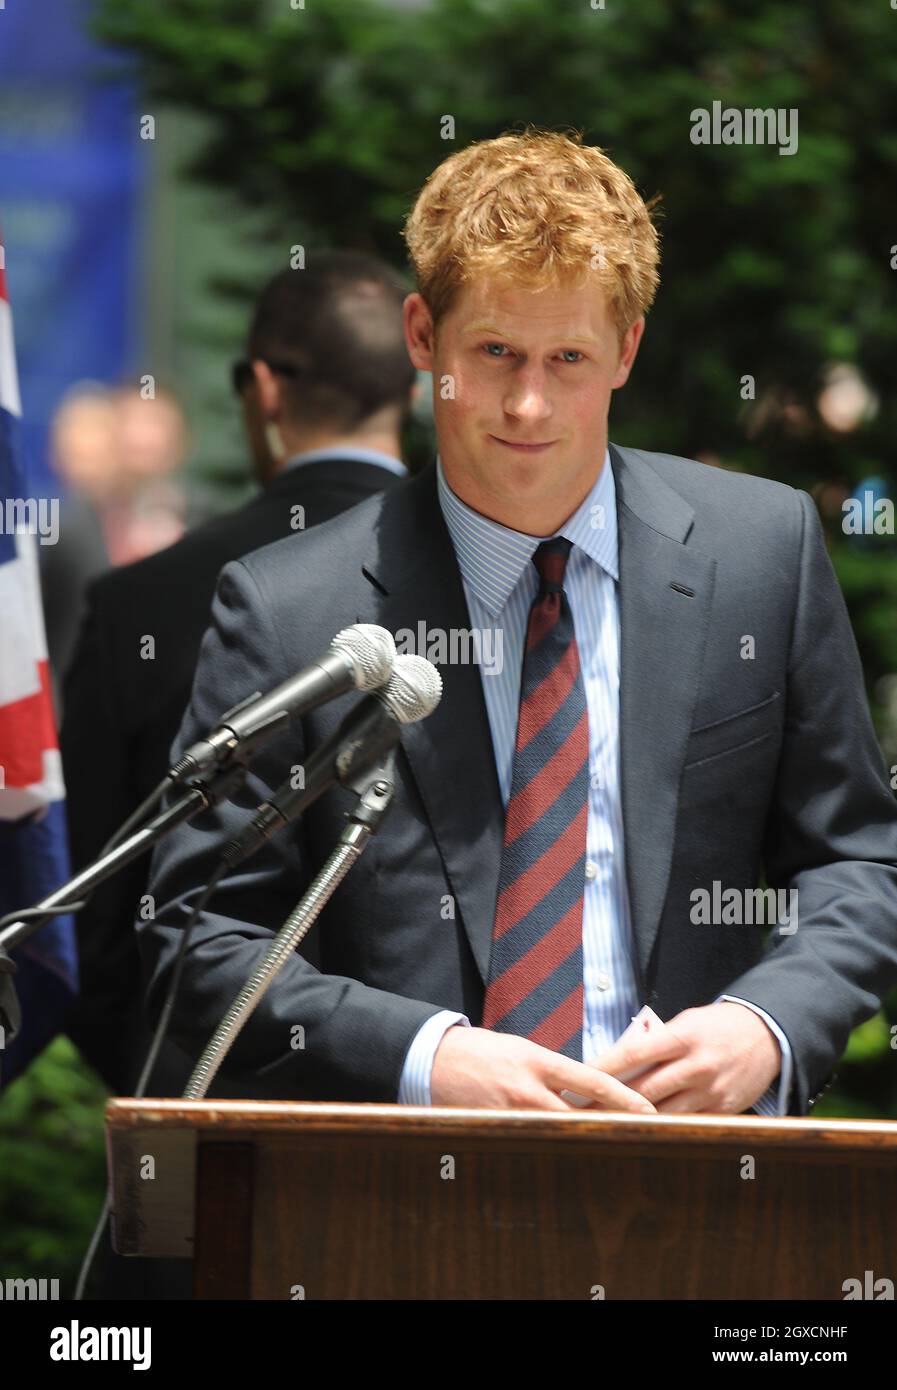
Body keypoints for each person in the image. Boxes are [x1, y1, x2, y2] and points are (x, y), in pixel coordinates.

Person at [138, 129, 897, 1120]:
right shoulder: (290, 610)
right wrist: (427, 1056)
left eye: (568, 357)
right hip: (397, 1208)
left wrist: (766, 1024)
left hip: (702, 1188)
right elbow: (198, 935)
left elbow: (857, 861)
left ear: (627, 347)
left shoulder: (762, 553)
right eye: (493, 351)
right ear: (422, 337)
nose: (530, 404)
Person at [61, 250, 417, 1098]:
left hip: (208, 1122)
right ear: (413, 386)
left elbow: (87, 911)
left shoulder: (139, 601)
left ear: (262, 389)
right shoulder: (494, 584)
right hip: (442, 1109)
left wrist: (169, 1085)